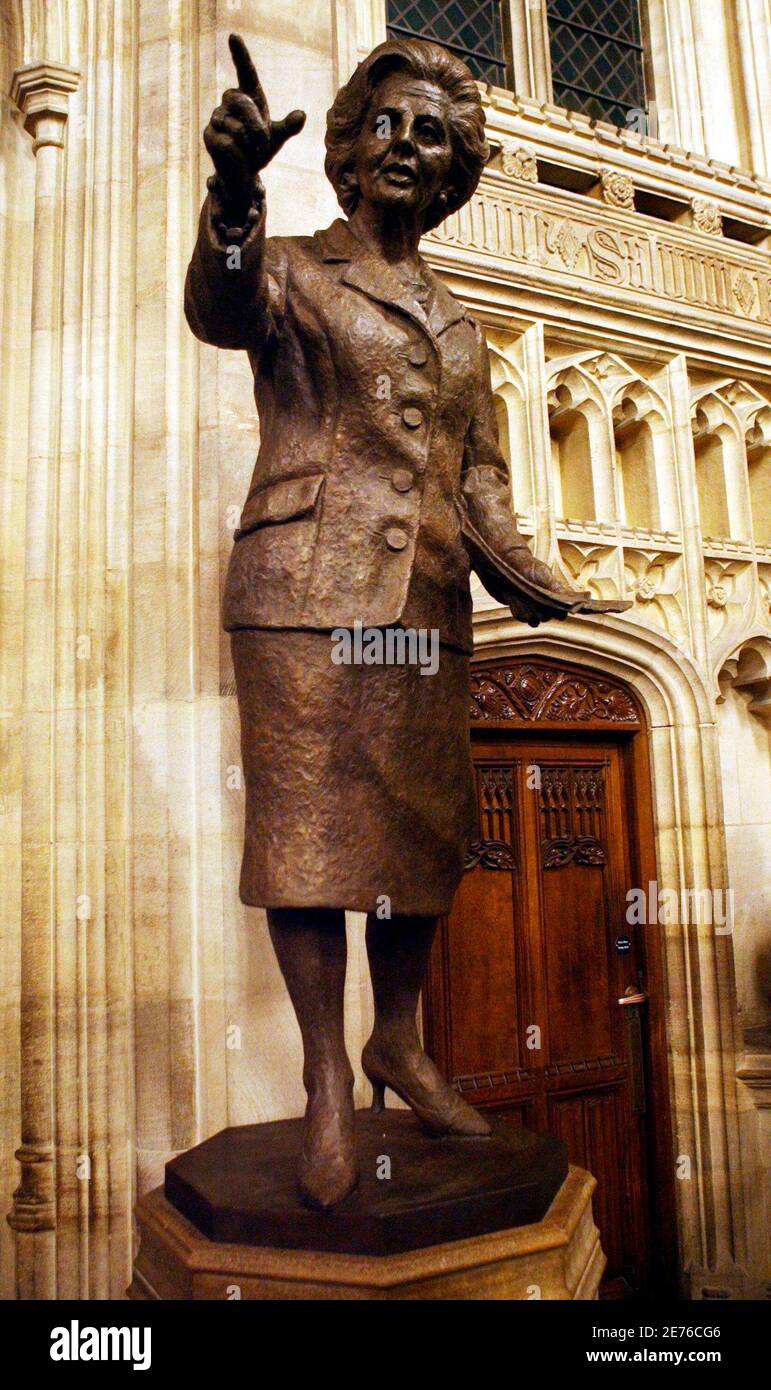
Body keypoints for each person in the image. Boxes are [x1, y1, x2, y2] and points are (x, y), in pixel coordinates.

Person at [186, 33, 584, 1210]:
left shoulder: (465, 327)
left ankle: (397, 1045)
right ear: (351, 153)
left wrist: (540, 580)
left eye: (436, 134)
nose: (411, 145)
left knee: (416, 838)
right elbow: (220, 306)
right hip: (303, 600)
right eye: (391, 126)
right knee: (309, 838)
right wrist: (232, 192)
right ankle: (324, 1077)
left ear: (455, 168)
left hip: (417, 617)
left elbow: (480, 480)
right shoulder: (298, 270)